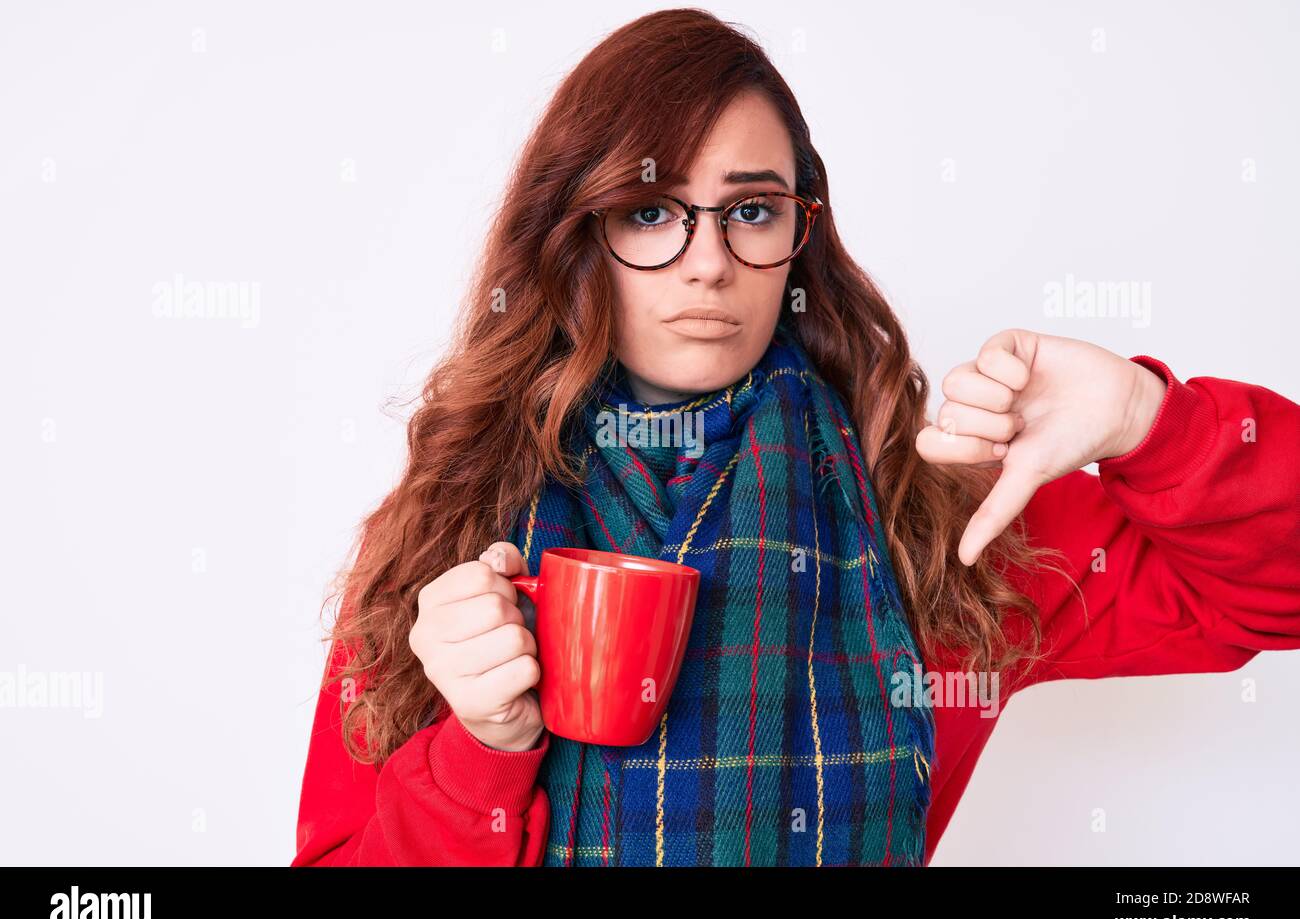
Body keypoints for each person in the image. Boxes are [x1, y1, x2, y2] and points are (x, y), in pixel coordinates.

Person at [291, 9, 1300, 867]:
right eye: (651, 211)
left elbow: (1275, 587)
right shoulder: (447, 527)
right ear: (576, 236)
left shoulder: (929, 517)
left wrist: (1144, 420)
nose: (709, 263)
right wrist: (479, 749)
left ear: (798, 236)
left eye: (751, 210)